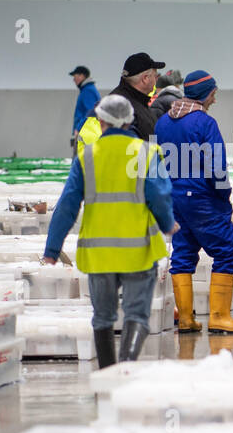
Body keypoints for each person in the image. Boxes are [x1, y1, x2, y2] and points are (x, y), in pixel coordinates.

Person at [43, 95, 174, 367]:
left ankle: (106, 373)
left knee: (103, 317)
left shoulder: (87, 156)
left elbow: (67, 205)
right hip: (138, 250)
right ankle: (125, 368)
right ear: (129, 120)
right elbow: (159, 196)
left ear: (101, 121)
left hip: (99, 253)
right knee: (136, 315)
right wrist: (166, 224)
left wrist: (52, 250)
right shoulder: (145, 152)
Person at [156, 69, 233, 334]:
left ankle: (185, 319)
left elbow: (154, 162)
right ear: (206, 94)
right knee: (228, 253)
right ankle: (219, 317)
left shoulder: (162, 122)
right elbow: (217, 167)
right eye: (213, 93)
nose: (215, 99)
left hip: (174, 199)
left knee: (183, 255)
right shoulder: (205, 124)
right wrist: (224, 197)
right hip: (203, 200)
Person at [75, 52, 165, 153]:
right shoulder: (119, 108)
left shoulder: (137, 104)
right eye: (155, 76)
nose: (155, 81)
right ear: (145, 79)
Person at [69, 65, 100, 150]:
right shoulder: (87, 90)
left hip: (86, 134)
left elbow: (90, 113)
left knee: (82, 160)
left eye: (75, 76)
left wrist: (78, 129)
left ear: (82, 76)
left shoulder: (88, 91)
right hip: (86, 133)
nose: (74, 80)